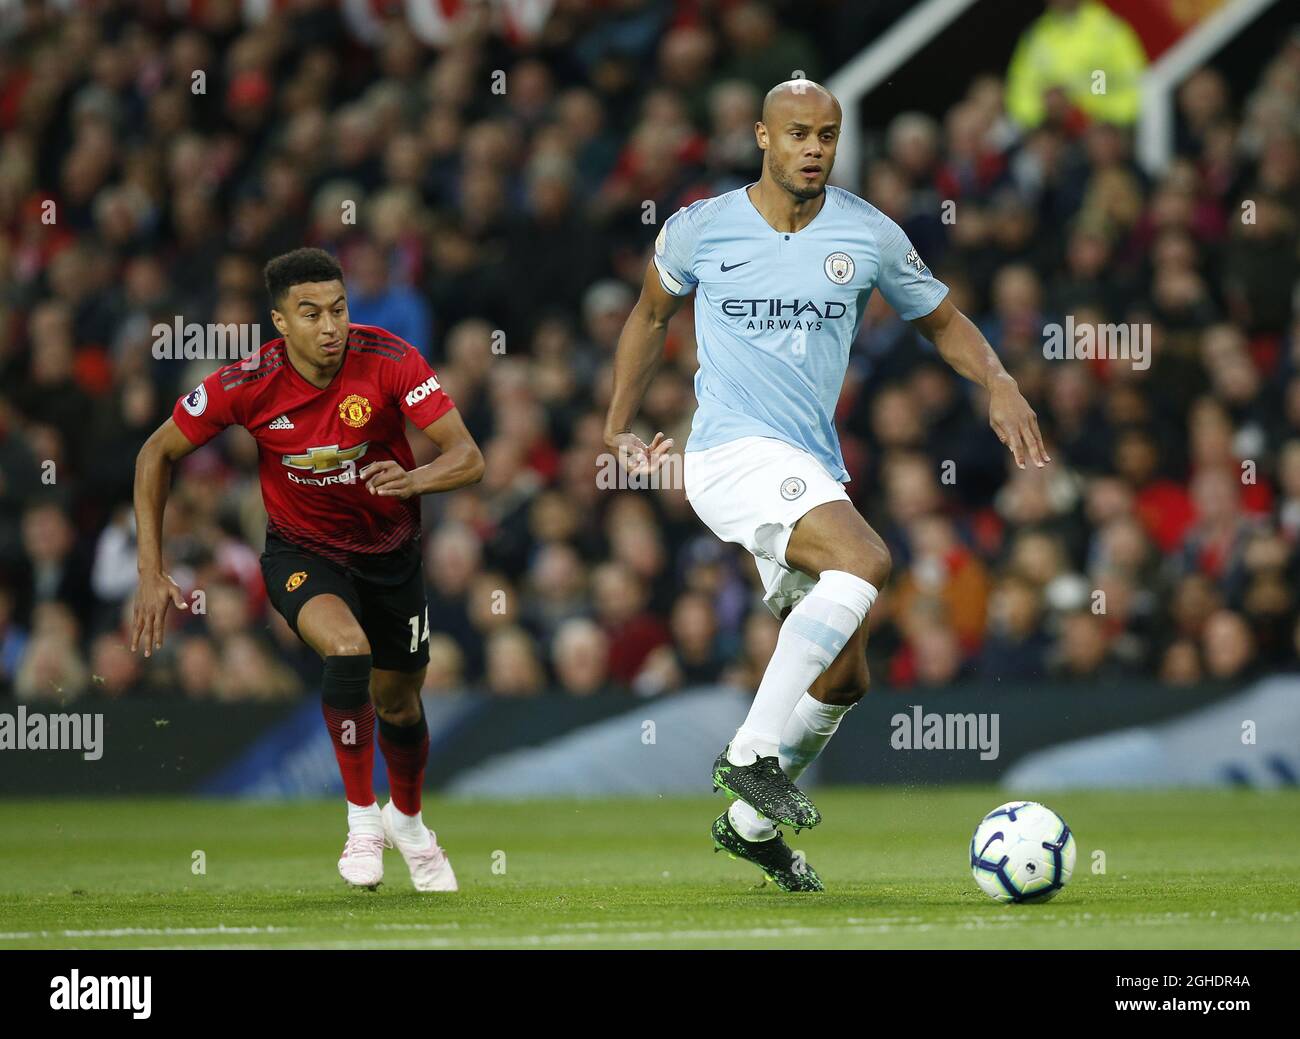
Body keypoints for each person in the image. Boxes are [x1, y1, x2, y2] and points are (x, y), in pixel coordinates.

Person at [604, 80, 1046, 891]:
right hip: (730, 453)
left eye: (829, 135)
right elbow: (649, 315)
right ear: (762, 138)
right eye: (799, 133)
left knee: (844, 678)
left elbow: (943, 320)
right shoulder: (700, 228)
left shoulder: (868, 232)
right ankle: (750, 756)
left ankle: (751, 823)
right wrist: (617, 424)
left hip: (807, 461)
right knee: (867, 558)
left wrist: (1000, 382)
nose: (815, 148)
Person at [131, 248, 484, 892]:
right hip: (303, 554)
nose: (330, 326)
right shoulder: (246, 383)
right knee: (347, 652)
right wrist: (150, 569)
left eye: (339, 309)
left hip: (392, 556)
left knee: (400, 702)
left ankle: (408, 821)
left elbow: (468, 456)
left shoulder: (390, 359)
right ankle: (360, 820)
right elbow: (156, 452)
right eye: (311, 313)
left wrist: (416, 478)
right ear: (280, 323)